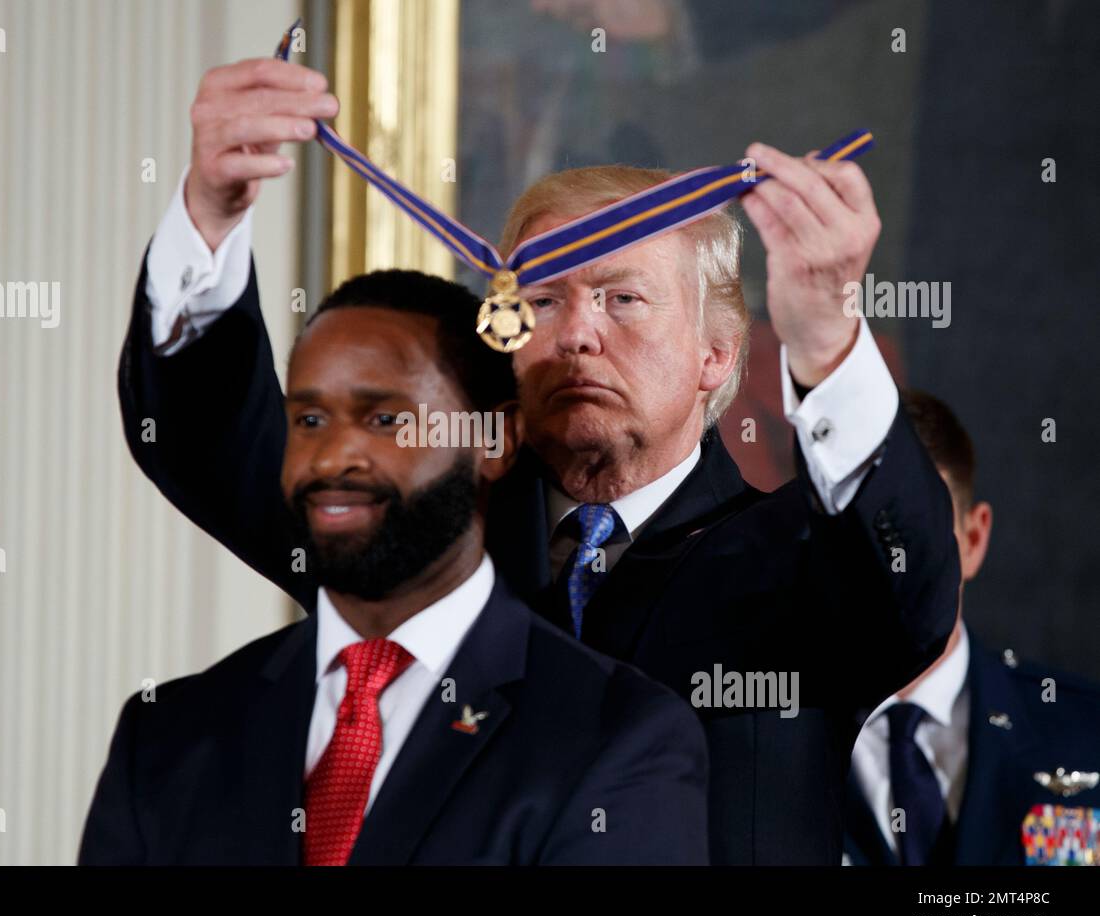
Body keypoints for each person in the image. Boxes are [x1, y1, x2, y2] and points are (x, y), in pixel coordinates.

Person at [119, 56, 960, 864]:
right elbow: (218, 445)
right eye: (543, 299)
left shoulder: (799, 565)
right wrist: (210, 220)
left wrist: (826, 339)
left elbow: (910, 580)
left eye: (623, 298)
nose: (578, 332)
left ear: (716, 353)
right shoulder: (418, 532)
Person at [81, 270, 708, 865]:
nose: (335, 457)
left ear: (493, 439)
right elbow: (208, 429)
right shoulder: (165, 735)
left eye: (385, 420)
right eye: (309, 420)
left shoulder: (619, 738)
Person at [844, 390, 1100, 866]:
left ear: (973, 539)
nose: (891, 565)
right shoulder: (753, 754)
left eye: (920, 535)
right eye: (860, 534)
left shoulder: (1087, 732)